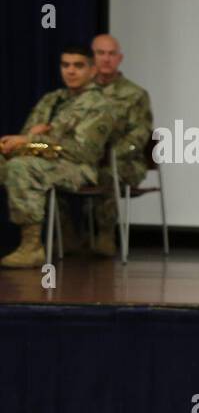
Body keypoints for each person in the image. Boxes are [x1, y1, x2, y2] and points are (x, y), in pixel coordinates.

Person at [0, 45, 114, 268]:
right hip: (42, 159)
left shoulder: (100, 105)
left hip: (77, 168)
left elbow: (82, 151)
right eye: (66, 65)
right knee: (17, 161)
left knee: (22, 168)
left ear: (92, 70)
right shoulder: (52, 99)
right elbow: (28, 137)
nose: (70, 71)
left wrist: (34, 140)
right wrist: (18, 143)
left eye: (78, 66)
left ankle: (31, 247)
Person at [82, 33, 154, 256]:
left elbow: (139, 135)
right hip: (83, 159)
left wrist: (110, 155)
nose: (106, 58)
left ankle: (105, 235)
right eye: (100, 53)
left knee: (107, 173)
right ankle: (69, 237)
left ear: (120, 58)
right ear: (92, 58)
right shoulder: (81, 92)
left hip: (125, 162)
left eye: (111, 54)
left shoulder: (135, 94)